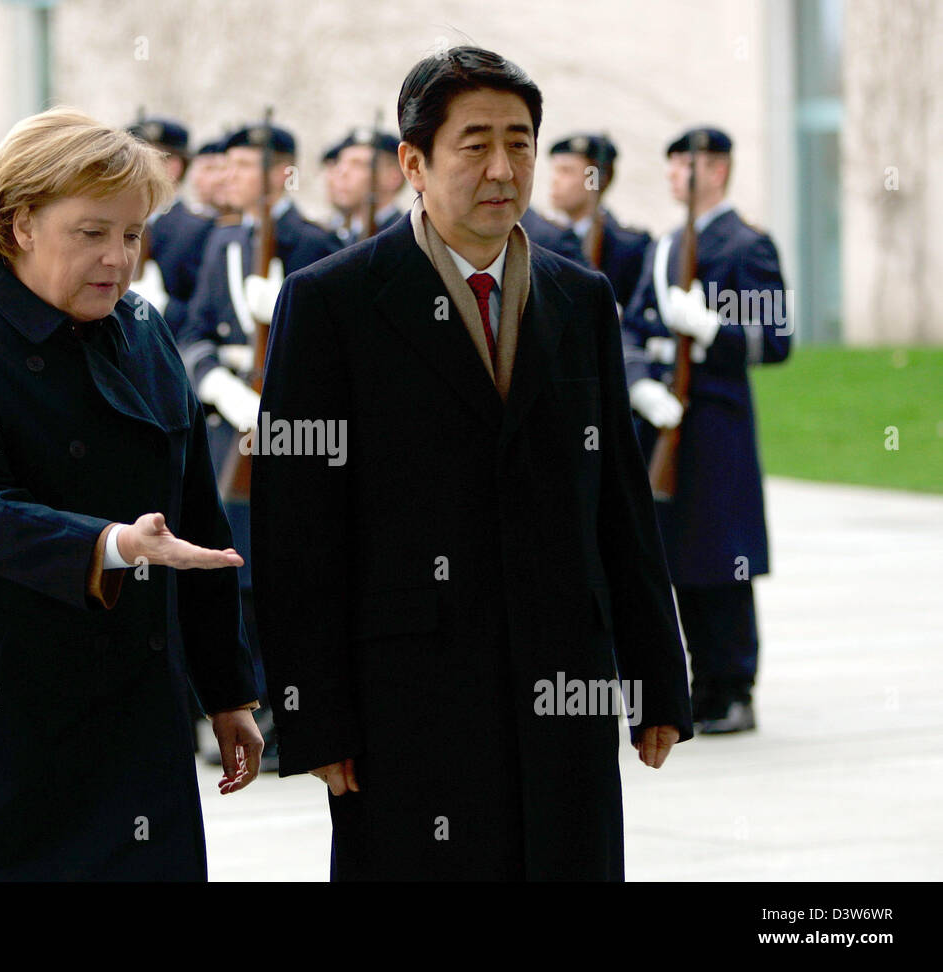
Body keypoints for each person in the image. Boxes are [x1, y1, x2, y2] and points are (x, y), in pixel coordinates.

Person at [251, 46, 693, 881]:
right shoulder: (332, 301)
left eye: (521, 142)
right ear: (413, 162)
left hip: (564, 682)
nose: (504, 168)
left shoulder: (580, 297)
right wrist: (315, 715)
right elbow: (297, 530)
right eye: (475, 143)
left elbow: (621, 506)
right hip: (408, 695)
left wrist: (657, 676)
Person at [0, 107, 262, 881]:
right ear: (21, 224)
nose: (117, 260)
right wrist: (113, 546)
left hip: (130, 706)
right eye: (91, 233)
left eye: (131, 235)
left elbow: (198, 521)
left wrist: (228, 693)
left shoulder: (144, 331)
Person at [176, 120, 341, 770]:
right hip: (234, 426)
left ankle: (289, 709)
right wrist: (215, 379)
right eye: (233, 163)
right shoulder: (226, 243)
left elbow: (337, 350)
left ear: (282, 174)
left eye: (250, 165)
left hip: (294, 433)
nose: (234, 175)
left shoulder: (316, 241)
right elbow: (193, 329)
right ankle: (250, 701)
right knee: (237, 571)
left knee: (287, 573)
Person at [623, 126, 791, 734]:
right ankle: (701, 684)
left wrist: (713, 327)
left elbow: (775, 341)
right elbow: (633, 327)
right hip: (664, 421)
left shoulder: (747, 245)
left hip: (715, 424)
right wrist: (639, 380)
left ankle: (734, 686)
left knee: (725, 557)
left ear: (716, 170)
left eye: (683, 166)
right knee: (677, 559)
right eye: (669, 166)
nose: (673, 177)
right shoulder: (666, 246)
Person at [124, 116, 215, 338]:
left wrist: (164, 306)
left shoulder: (200, 230)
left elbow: (206, 312)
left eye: (141, 159)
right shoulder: (115, 224)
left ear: (173, 167)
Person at [548, 132, 651, 310]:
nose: (555, 181)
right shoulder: (543, 237)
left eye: (566, 171)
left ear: (595, 180)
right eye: (555, 171)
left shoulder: (629, 246)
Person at [323, 127, 408, 245]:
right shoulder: (339, 235)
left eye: (358, 164)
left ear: (393, 177)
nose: (342, 172)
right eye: (340, 163)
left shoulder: (403, 238)